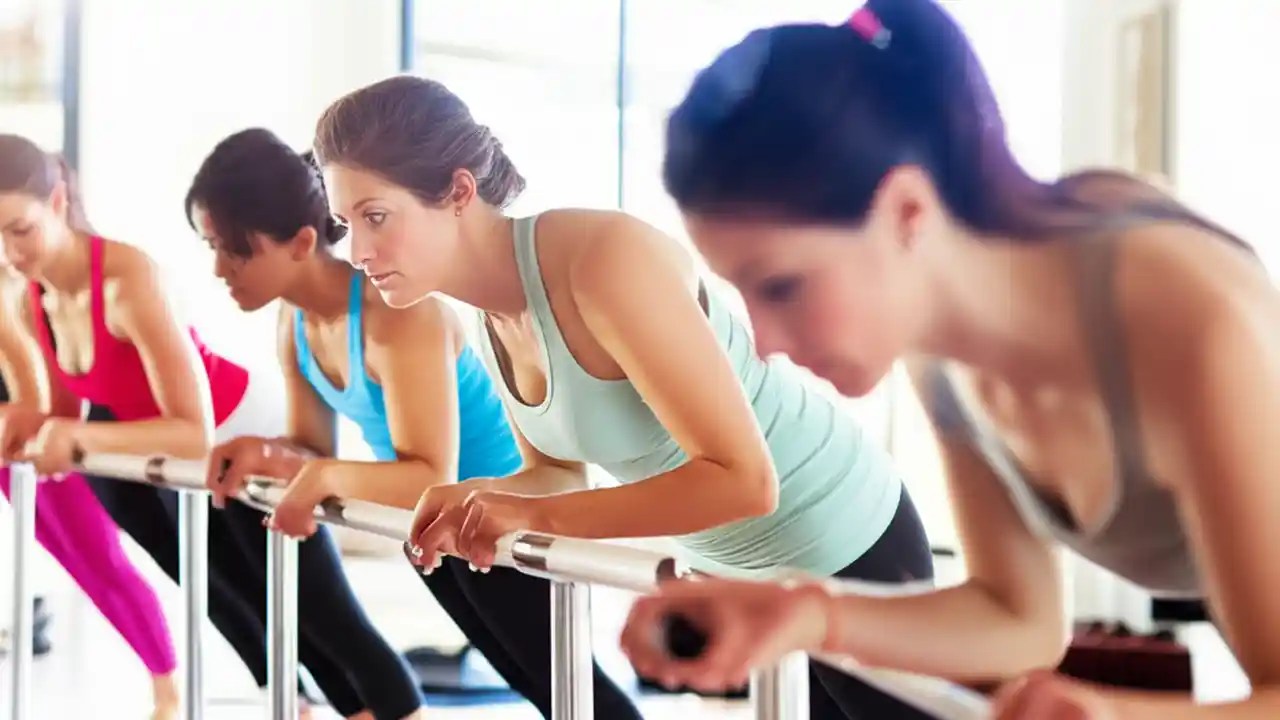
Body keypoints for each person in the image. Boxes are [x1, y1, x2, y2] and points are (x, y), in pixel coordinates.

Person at [617, 1, 1280, 718]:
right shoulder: (941, 356)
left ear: (906, 209)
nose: (766, 342)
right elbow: (1018, 621)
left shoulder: (1185, 320)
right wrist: (800, 613)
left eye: (783, 286)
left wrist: (1115, 714)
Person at [310, 74, 934, 719]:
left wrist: (534, 518)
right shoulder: (489, 316)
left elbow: (746, 482)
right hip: (745, 576)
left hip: (846, 538)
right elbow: (555, 473)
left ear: (458, 191)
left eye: (374, 216)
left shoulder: (601, 261)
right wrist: (482, 496)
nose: (355, 251)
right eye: (342, 223)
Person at [185, 127, 642, 720]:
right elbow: (310, 447)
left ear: (299, 242)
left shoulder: (397, 316)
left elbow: (427, 470)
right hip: (434, 522)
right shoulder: (293, 323)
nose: (221, 269)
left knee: (575, 695)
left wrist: (316, 473)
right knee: (539, 690)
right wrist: (266, 453)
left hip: (507, 515)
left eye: (235, 249)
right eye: (211, 247)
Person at [0, 132, 425, 720]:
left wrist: (77, 438)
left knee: (320, 615)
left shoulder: (128, 277)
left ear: (55, 202)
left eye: (19, 229)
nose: (11, 253)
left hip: (236, 429)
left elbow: (190, 431)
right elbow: (63, 418)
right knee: (230, 604)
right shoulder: (32, 299)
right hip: (174, 456)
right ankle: (300, 707)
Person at [0, 273, 179, 720]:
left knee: (101, 563)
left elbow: (33, 401)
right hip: (11, 459)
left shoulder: (7, 297)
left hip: (45, 449)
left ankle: (169, 691)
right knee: (81, 566)